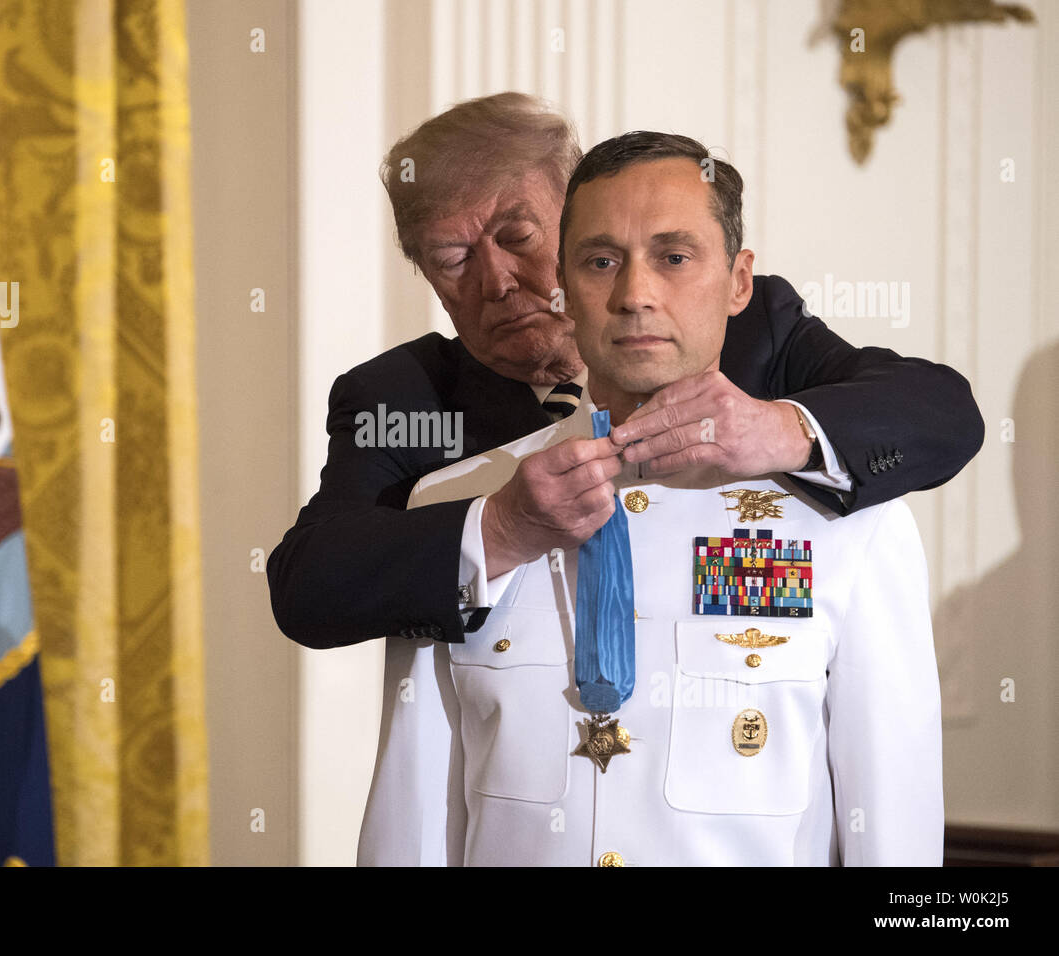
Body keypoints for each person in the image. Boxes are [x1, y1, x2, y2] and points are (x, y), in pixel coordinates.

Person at [357, 131, 944, 866]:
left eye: (673, 257)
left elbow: (893, 823)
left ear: (738, 283)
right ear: (565, 289)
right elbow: (413, 817)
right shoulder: (457, 511)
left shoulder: (851, 524)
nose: (635, 294)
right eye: (602, 261)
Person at [268, 92, 982, 651]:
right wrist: (501, 528)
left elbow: (943, 414)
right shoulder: (403, 396)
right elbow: (307, 588)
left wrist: (778, 429)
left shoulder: (745, 329)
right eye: (453, 260)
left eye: (518, 237)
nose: (496, 281)